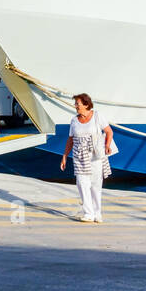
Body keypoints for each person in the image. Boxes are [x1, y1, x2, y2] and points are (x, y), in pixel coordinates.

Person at [59, 92, 114, 223]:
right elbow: (70, 140)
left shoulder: (97, 116)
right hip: (79, 156)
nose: (75, 106)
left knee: (95, 185)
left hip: (95, 155)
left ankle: (97, 213)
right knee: (81, 183)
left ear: (86, 104)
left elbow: (109, 132)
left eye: (77, 104)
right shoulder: (74, 120)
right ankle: (88, 213)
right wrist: (65, 156)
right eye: (75, 104)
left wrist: (107, 145)